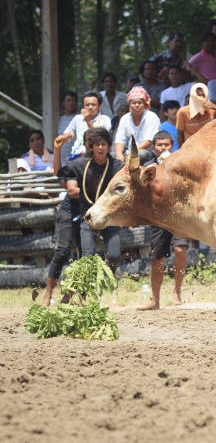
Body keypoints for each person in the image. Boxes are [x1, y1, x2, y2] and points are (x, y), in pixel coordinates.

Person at [138, 132, 189, 310]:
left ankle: (177, 291)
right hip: (158, 217)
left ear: (172, 145)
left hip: (177, 215)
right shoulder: (148, 166)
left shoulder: (179, 164)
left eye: (166, 145)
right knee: (157, 258)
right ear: (154, 147)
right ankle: (155, 299)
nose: (163, 148)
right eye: (160, 145)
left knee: (180, 249)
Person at [66, 128, 124, 267]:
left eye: (104, 144)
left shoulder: (117, 166)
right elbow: (71, 190)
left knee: (115, 256)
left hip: (109, 217)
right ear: (91, 147)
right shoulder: (80, 165)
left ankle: (109, 281)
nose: (100, 147)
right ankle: (88, 286)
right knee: (88, 257)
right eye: (97, 144)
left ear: (109, 147)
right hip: (88, 217)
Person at [42, 133, 83, 307]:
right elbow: (66, 184)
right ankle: (48, 293)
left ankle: (70, 294)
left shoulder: (99, 165)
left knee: (85, 254)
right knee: (63, 250)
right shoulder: (74, 166)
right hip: (69, 210)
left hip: (87, 211)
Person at [57, 92, 112, 159]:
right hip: (77, 156)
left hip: (96, 157)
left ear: (99, 106)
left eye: (93, 104)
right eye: (87, 105)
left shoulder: (105, 119)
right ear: (83, 106)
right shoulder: (78, 118)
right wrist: (65, 137)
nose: (90, 107)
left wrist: (87, 120)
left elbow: (101, 138)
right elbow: (69, 133)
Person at [113, 87, 161, 160]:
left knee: (140, 154)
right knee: (112, 155)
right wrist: (119, 155)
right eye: (134, 103)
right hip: (129, 152)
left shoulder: (152, 117)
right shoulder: (125, 118)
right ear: (129, 105)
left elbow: (149, 140)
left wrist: (131, 153)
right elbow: (120, 140)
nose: (137, 105)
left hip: (147, 152)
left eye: (140, 103)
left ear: (145, 104)